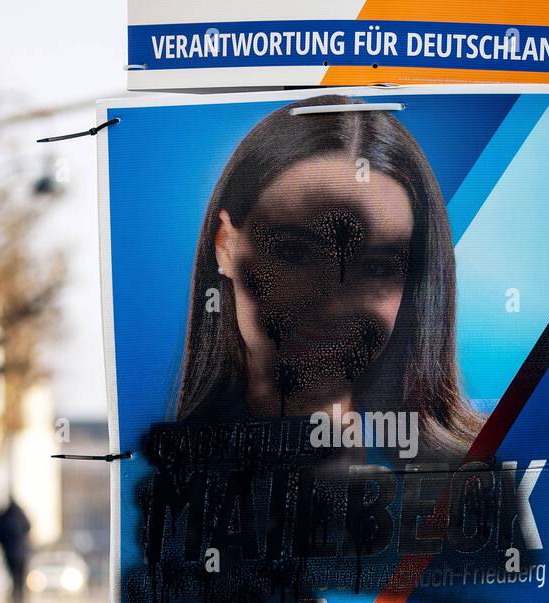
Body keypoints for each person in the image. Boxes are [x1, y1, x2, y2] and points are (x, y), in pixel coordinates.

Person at [175, 92, 482, 462]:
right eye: (295, 254)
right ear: (225, 244)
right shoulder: (163, 477)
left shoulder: (480, 477)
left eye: (376, 268)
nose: (333, 301)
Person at [0, 498, 31, 603]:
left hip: (9, 554)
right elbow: (28, 527)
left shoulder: (3, 517)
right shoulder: (21, 516)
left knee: (12, 581)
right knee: (20, 582)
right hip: (22, 554)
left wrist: (4, 544)